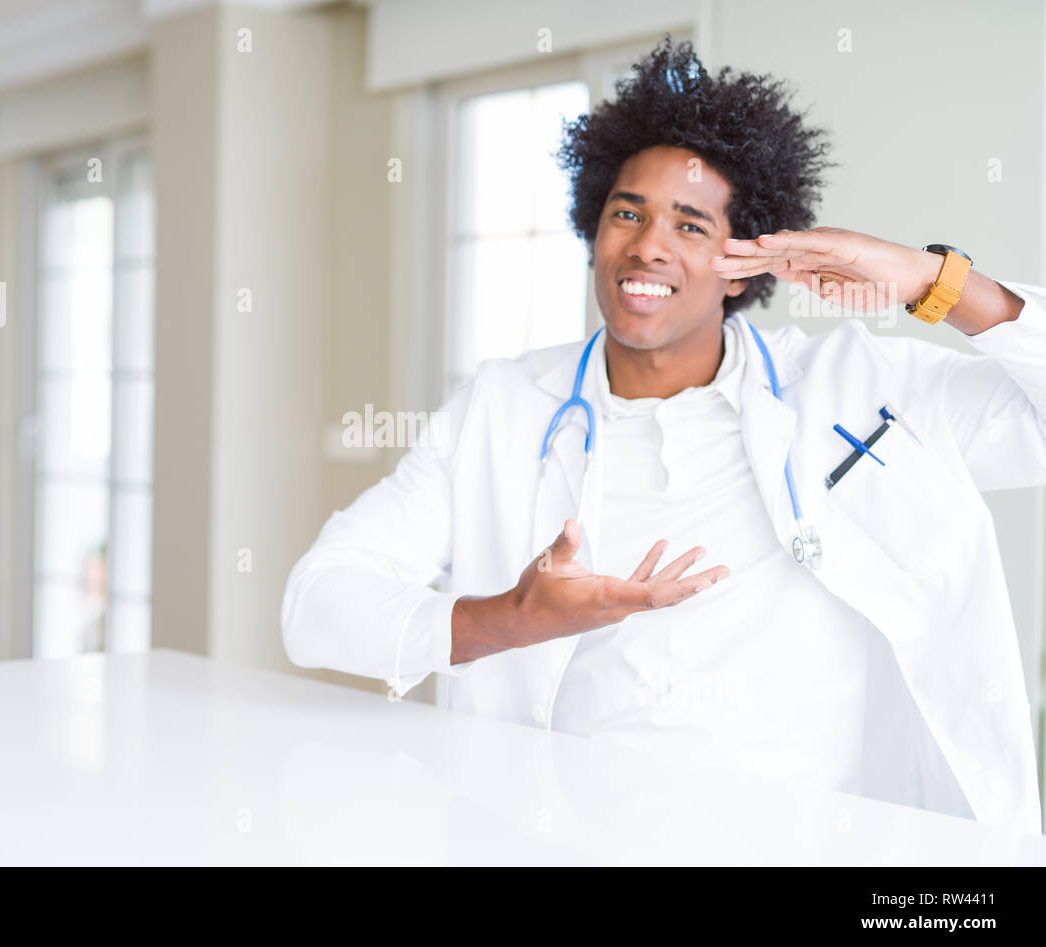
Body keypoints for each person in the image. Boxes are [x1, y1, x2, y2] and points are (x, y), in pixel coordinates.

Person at [281, 37, 1046, 834]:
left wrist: (933, 281)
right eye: (627, 212)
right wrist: (512, 616)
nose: (648, 243)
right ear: (595, 229)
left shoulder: (859, 388)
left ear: (745, 263)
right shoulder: (502, 408)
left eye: (689, 224)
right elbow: (317, 601)